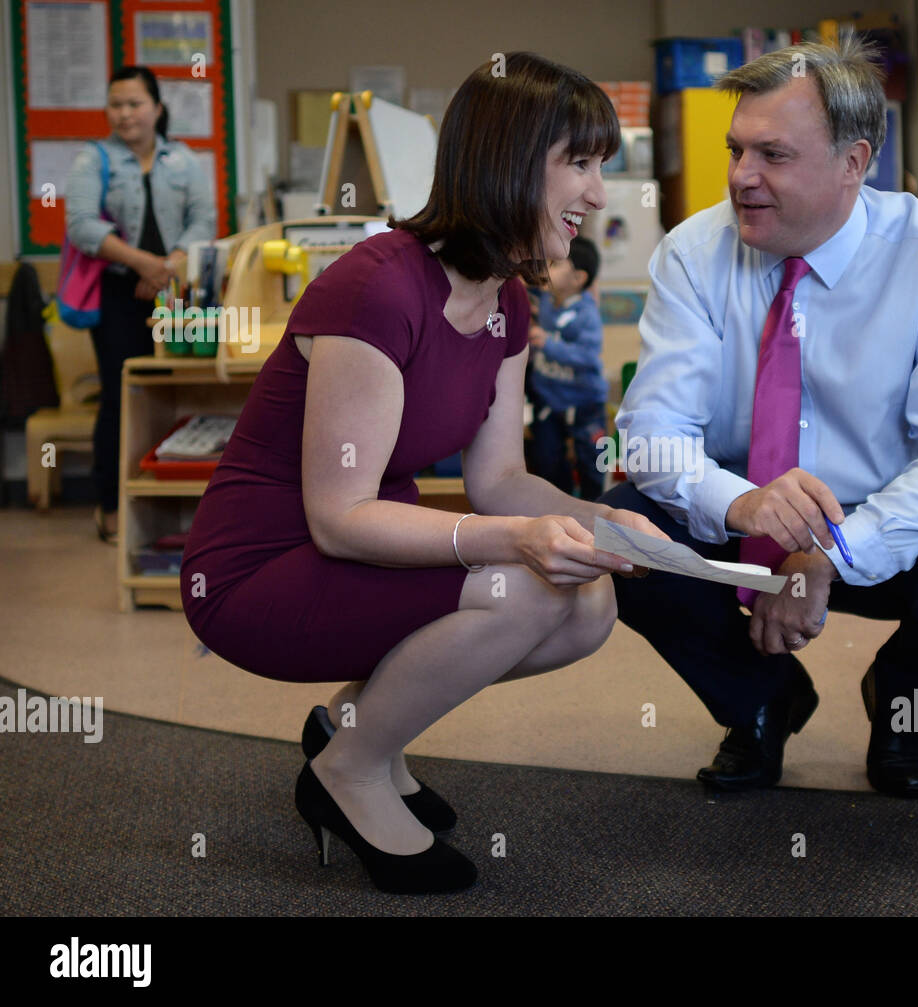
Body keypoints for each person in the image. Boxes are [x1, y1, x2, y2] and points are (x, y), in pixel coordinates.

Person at [180, 52, 668, 895]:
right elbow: (339, 515)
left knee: (590, 603)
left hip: (359, 558)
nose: (597, 193)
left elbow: (501, 479)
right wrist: (513, 540)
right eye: (580, 165)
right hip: (256, 570)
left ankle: (353, 726)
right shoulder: (376, 288)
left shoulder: (508, 297)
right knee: (523, 586)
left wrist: (602, 519)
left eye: (601, 168)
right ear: (511, 162)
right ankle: (348, 771)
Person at [602, 38, 918, 799]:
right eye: (736, 149)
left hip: (884, 520)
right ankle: (761, 699)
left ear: (855, 163)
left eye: (773, 155)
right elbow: (649, 435)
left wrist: (829, 554)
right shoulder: (692, 252)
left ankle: (902, 706)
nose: (742, 177)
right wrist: (743, 503)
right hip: (741, 518)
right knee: (624, 535)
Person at [64, 65, 215, 544]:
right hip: (116, 294)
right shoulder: (94, 159)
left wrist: (167, 267)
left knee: (179, 388)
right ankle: (111, 503)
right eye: (116, 104)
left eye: (134, 104)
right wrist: (142, 264)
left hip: (175, 292)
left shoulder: (183, 160)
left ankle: (172, 501)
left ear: (157, 109)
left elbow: (203, 219)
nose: (125, 114)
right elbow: (82, 225)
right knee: (121, 394)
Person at [527, 236, 609, 500]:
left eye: (556, 264)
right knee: (547, 461)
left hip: (585, 404)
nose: (547, 270)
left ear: (578, 279)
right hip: (549, 402)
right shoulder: (548, 300)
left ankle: (594, 506)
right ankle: (560, 505)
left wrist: (548, 343)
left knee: (592, 463)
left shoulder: (586, 314)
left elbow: (587, 355)